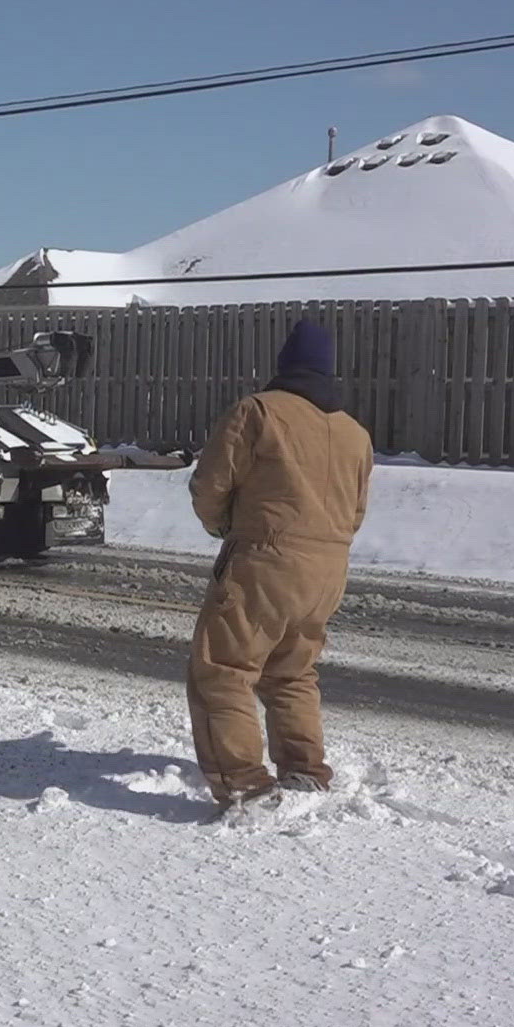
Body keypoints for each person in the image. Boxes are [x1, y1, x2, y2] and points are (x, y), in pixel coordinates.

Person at [186, 319, 372, 809]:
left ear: (285, 363)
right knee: (292, 671)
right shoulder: (355, 433)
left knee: (224, 668)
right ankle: (305, 769)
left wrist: (223, 526)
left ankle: (243, 783)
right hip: (328, 570)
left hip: (266, 559)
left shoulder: (259, 411)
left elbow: (211, 485)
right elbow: (356, 511)